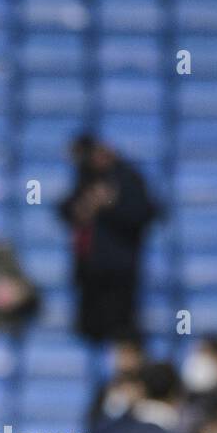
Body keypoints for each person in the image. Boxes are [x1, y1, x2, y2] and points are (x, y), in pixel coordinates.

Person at [59, 135, 159, 343]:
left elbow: (144, 213)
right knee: (89, 331)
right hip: (88, 272)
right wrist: (84, 207)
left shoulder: (129, 177)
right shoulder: (87, 177)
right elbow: (67, 209)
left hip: (119, 272)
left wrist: (109, 205)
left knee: (120, 331)